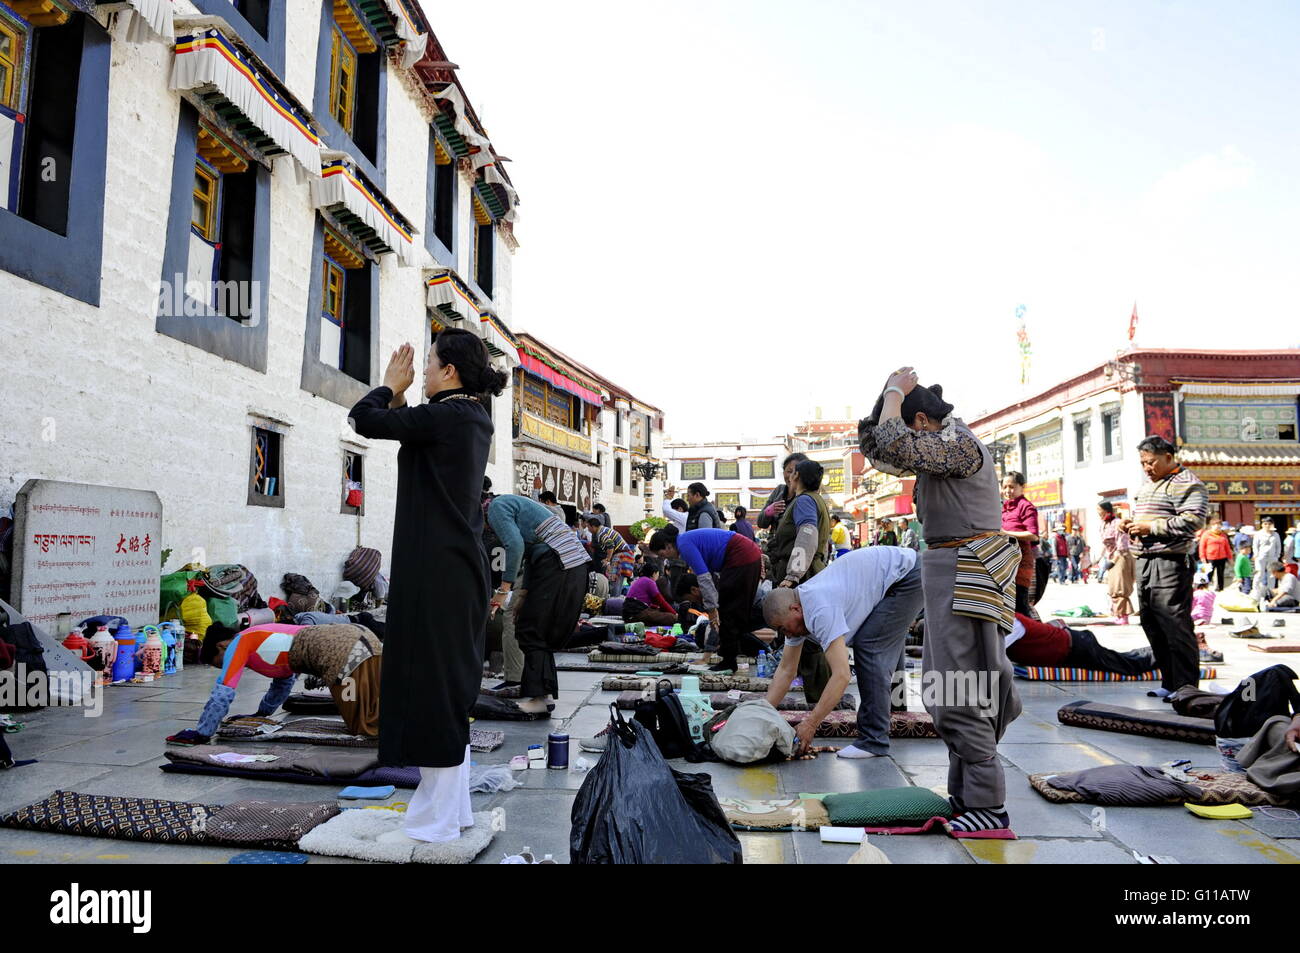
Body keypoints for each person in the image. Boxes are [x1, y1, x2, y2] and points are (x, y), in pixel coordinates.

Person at [347, 330, 504, 844]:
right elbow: (404, 427)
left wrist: (388, 385)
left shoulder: (452, 415)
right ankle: (450, 809)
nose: (423, 370)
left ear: (450, 372)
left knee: (436, 689)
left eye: (430, 361)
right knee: (444, 687)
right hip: (447, 569)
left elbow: (365, 420)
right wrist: (400, 397)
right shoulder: (463, 417)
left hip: (440, 573)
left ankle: (435, 820)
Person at [859, 366, 1021, 838]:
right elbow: (879, 445)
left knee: (960, 686)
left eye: (910, 423)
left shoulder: (957, 443)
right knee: (952, 683)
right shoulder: (945, 441)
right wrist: (889, 396)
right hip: (958, 567)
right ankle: (968, 798)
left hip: (966, 568)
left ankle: (989, 807)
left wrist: (894, 391)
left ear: (924, 421)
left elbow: (892, 443)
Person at [761, 546, 924, 759]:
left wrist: (811, 723)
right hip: (897, 574)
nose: (786, 634)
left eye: (783, 628)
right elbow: (786, 671)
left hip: (907, 577)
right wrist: (760, 713)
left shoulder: (819, 608)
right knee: (881, 638)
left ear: (795, 609)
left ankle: (873, 741)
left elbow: (842, 674)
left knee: (871, 647)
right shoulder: (799, 610)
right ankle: (895, 707)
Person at [167, 621, 383, 745]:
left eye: (218, 663)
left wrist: (203, 732)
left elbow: (222, 692)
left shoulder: (238, 643)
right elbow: (283, 682)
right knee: (372, 704)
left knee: (362, 725)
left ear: (222, 646)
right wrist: (262, 714)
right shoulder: (263, 642)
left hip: (341, 649)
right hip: (363, 637)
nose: (225, 666)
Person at [1119, 435, 1208, 700]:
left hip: (1171, 562)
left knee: (1174, 623)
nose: (1147, 467)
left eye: (1151, 462)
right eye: (1143, 463)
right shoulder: (1149, 485)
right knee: (1151, 621)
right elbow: (1145, 517)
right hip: (1145, 559)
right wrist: (1131, 524)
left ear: (1168, 457)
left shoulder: (1187, 483)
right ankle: (1169, 681)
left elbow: (1193, 520)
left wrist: (1151, 527)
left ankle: (1186, 686)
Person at [488, 494, 591, 714]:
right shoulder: (514, 504)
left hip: (558, 561)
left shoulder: (496, 506)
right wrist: (523, 594)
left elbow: (515, 546)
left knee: (530, 628)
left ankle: (537, 697)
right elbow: (530, 551)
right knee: (535, 627)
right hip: (570, 562)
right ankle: (542, 697)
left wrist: (502, 591)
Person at [648, 526, 761, 672]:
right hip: (746, 555)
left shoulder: (684, 544)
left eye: (662, 554)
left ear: (668, 546)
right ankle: (730, 657)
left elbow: (704, 578)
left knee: (728, 611)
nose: (665, 558)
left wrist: (712, 609)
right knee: (733, 612)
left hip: (741, 556)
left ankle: (729, 661)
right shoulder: (685, 541)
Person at [767, 459, 835, 699]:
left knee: (807, 639)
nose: (788, 477)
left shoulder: (804, 501)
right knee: (806, 639)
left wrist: (792, 576)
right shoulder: (810, 500)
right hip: (807, 572)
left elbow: (807, 536)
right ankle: (822, 700)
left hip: (803, 576)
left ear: (796, 476)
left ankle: (822, 703)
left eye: (791, 472)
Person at [1004, 613, 1157, 676]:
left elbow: (993, 651)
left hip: (1077, 646)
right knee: (1123, 659)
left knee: (1128, 666)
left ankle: (1163, 655)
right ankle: (1157, 652)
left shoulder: (1013, 623)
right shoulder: (1008, 620)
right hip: (1070, 650)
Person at [1000, 472, 1040, 615]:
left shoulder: (1026, 506)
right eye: (1004, 487)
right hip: (1004, 563)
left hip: (1021, 564)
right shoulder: (1004, 507)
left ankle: (1028, 635)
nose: (1007, 491)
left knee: (1019, 607)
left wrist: (1005, 533)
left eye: (1011, 486)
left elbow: (1033, 535)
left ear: (1022, 487)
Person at [1098, 501, 1135, 624]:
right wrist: (1099, 559)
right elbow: (1105, 544)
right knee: (1112, 587)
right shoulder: (1102, 525)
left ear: (1107, 510)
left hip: (1121, 557)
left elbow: (1122, 545)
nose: (1098, 513)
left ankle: (1123, 616)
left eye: (1100, 510)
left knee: (1120, 587)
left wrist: (1113, 561)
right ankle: (1117, 614)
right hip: (1111, 557)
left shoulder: (1118, 523)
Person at [757, 453, 809, 532]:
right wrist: (768, 512)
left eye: (796, 472)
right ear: (783, 472)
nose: (791, 476)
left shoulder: (806, 497)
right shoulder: (779, 490)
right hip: (773, 543)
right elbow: (761, 524)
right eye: (789, 471)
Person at [586, 516, 635, 592]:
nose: (588, 530)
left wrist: (608, 560)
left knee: (614, 581)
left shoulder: (601, 533)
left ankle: (614, 601)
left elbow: (610, 545)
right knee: (617, 582)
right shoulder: (604, 530)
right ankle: (616, 600)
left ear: (593, 526)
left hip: (621, 555)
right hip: (624, 555)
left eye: (588, 527)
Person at [623, 561, 678, 626]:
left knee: (659, 612)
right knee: (672, 617)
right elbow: (661, 601)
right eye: (657, 573)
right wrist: (675, 614)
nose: (658, 576)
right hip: (636, 613)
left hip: (629, 612)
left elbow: (649, 602)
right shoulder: (650, 582)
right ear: (654, 573)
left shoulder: (639, 580)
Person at [1198, 517, 1234, 591]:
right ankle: (1204, 588)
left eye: (1219, 525)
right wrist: (1202, 557)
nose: (1218, 526)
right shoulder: (1206, 534)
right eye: (1215, 525)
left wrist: (1230, 557)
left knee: (1220, 574)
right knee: (1208, 574)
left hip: (1222, 557)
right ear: (1212, 526)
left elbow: (1227, 547)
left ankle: (1220, 589)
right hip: (1210, 557)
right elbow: (1202, 547)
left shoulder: (1223, 535)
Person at [1253, 517, 1283, 602]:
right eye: (1265, 524)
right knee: (1259, 574)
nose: (1267, 525)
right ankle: (1256, 593)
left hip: (1272, 557)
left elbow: (1278, 546)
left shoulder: (1275, 534)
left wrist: (1277, 555)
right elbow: (1255, 546)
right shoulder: (1258, 534)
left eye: (1269, 524)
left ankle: (1270, 593)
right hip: (1261, 557)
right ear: (1262, 525)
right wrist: (1256, 555)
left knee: (1272, 575)